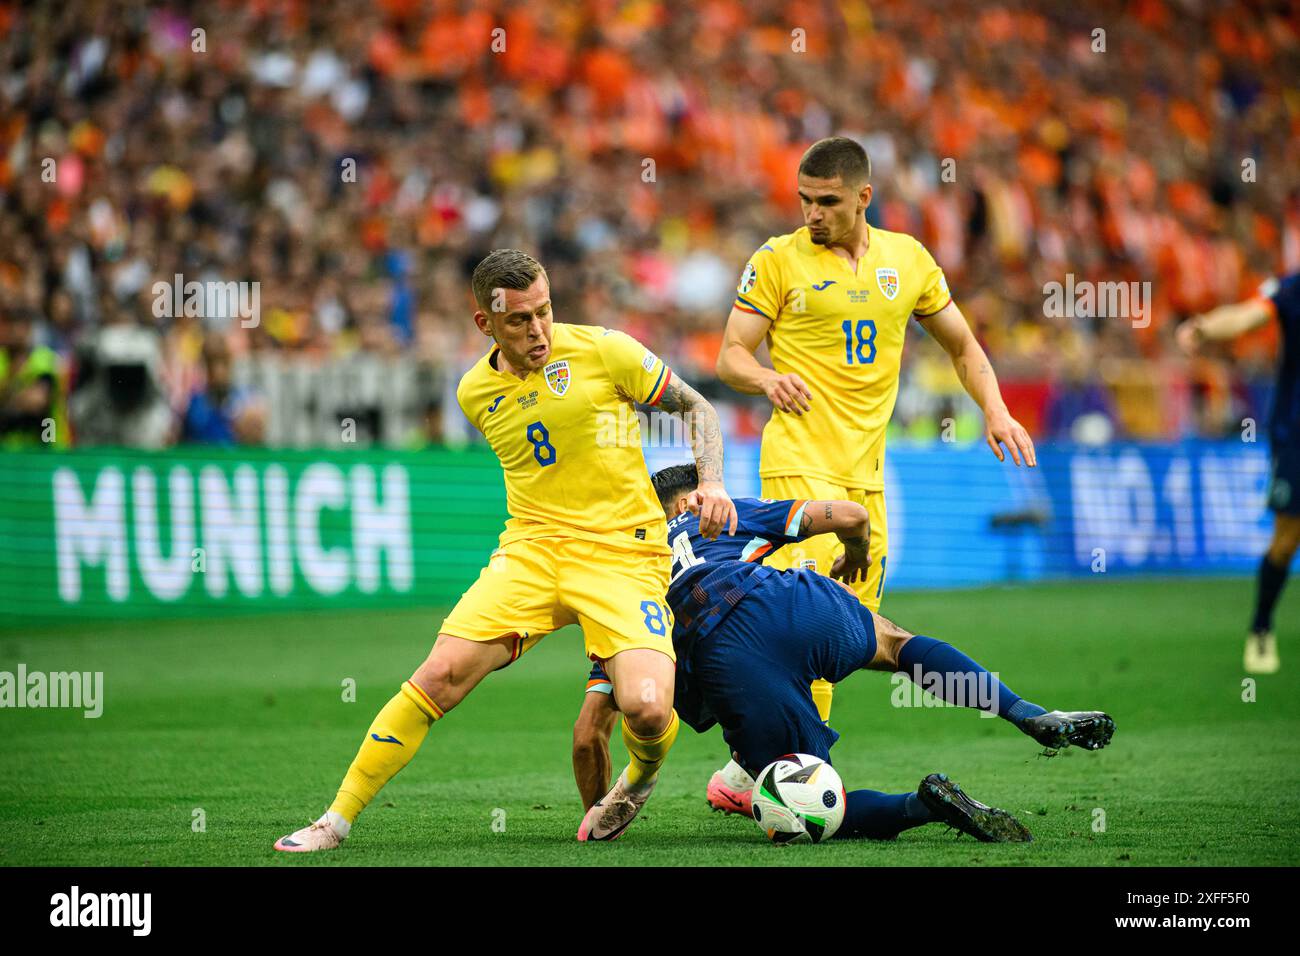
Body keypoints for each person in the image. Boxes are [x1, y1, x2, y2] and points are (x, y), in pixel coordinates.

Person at [275, 250, 737, 851]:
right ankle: (333, 822)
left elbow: (696, 408)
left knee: (648, 710)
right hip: (532, 553)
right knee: (437, 676)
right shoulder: (473, 392)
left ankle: (640, 776)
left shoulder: (605, 350)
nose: (538, 330)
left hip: (624, 555)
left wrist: (713, 481)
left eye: (544, 312)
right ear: (485, 324)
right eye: (519, 320)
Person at [711, 135, 1037, 806]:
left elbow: (963, 346)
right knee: (809, 618)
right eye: (803, 200)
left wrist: (997, 411)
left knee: (848, 631)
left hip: (868, 478)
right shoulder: (777, 262)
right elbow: (729, 356)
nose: (811, 213)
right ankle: (790, 775)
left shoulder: (908, 261)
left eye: (826, 201)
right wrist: (766, 379)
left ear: (864, 197)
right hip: (799, 467)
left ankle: (748, 769)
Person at [572, 465, 1114, 843]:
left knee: (816, 802)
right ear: (696, 499)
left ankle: (922, 806)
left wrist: (600, 813)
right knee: (897, 646)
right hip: (784, 603)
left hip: (728, 662)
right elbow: (853, 515)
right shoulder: (729, 514)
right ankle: (1026, 713)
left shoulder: (623, 571)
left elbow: (587, 734)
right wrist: (855, 556)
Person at [1178, 272, 1300, 673]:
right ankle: (1262, 627)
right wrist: (1205, 327)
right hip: (1295, 432)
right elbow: (1249, 315)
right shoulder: (1292, 288)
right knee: (1286, 539)